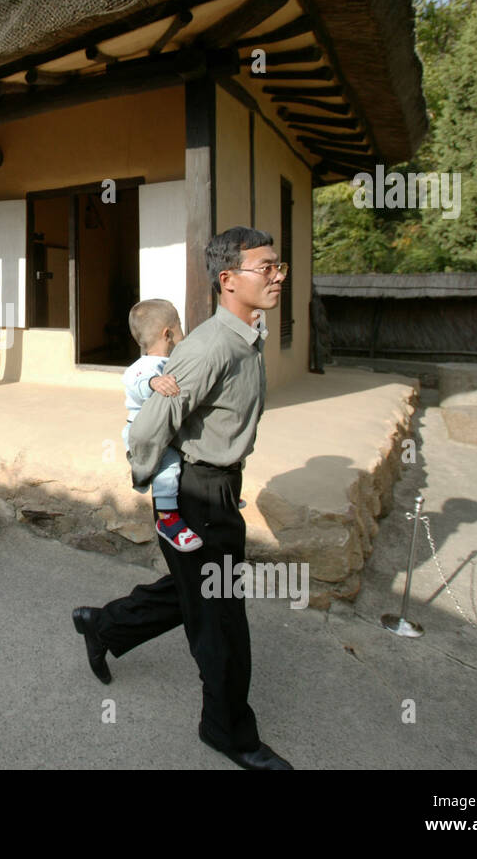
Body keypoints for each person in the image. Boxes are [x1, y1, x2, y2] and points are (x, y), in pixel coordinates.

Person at [72, 226, 292, 771]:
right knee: (220, 621)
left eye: (277, 265)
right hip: (199, 493)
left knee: (192, 593)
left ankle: (103, 625)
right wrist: (149, 482)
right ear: (228, 279)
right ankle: (227, 731)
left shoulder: (245, 335)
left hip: (219, 487)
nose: (278, 275)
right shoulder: (210, 346)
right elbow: (149, 423)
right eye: (265, 267)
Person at [121, 299, 199, 551]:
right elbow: (135, 381)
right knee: (169, 465)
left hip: (163, 430)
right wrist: (154, 383)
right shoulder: (144, 367)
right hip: (145, 433)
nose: (182, 335)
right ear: (168, 334)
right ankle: (167, 519)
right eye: (180, 329)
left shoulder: (168, 362)